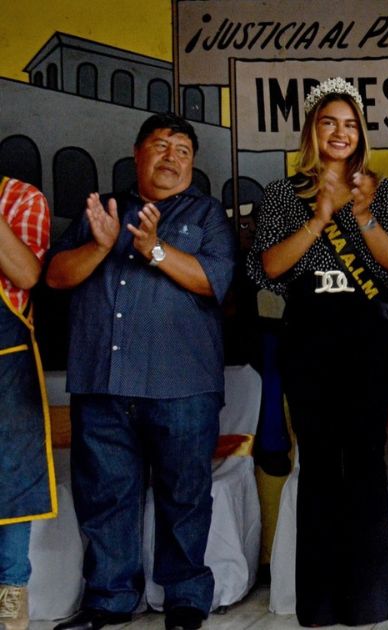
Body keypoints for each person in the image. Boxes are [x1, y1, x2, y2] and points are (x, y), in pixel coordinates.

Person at [45, 112, 237, 630]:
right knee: (105, 496)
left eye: (182, 150)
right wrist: (101, 245)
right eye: (160, 145)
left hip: (183, 385)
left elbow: (211, 281)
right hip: (103, 382)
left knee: (185, 494)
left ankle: (185, 600)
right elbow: (57, 276)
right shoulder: (102, 211)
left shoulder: (209, 215)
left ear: (193, 163)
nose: (170, 157)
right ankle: (108, 599)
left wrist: (151, 247)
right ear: (136, 154)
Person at [245, 77, 388, 626]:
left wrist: (361, 214)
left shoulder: (381, 191)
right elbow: (267, 269)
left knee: (364, 459)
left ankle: (369, 599)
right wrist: (319, 215)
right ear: (313, 132)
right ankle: (316, 603)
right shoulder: (282, 194)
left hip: (364, 331)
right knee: (317, 462)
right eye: (328, 123)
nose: (340, 133)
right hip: (309, 331)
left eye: (350, 124)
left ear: (361, 133)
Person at [0, 176, 52, 630]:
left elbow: (27, 274)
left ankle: (10, 600)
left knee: (10, 482)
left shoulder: (20, 197)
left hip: (5, 360)